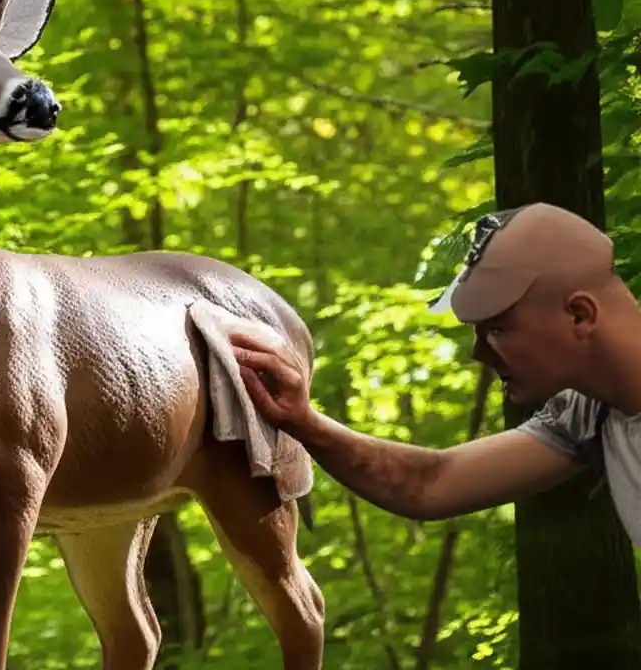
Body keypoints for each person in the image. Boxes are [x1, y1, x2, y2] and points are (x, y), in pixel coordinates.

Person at [229, 202, 641, 545]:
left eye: (499, 329)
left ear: (579, 314)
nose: (480, 354)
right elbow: (430, 485)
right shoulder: (589, 414)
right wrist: (304, 421)